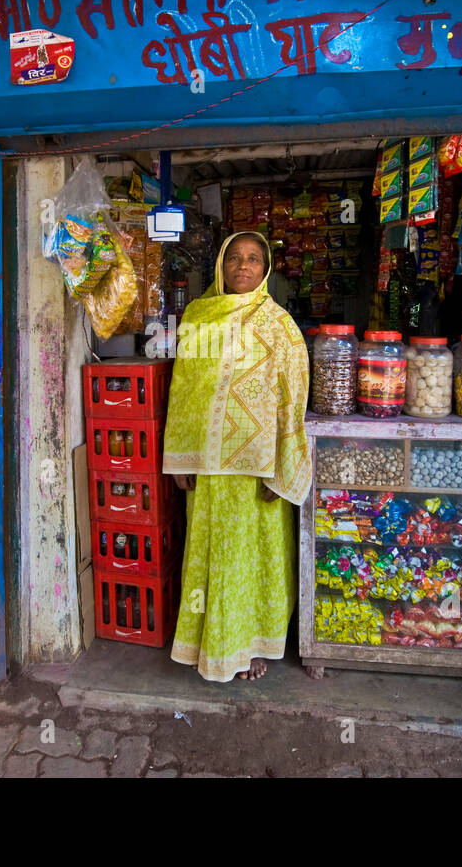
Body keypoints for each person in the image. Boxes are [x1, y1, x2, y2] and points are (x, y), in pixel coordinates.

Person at [162, 231, 314, 682]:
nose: (243, 266)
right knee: (213, 555)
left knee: (255, 558)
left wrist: (282, 467)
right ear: (220, 266)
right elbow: (184, 392)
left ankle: (254, 645)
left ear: (265, 269)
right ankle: (210, 643)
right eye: (234, 258)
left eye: (253, 259)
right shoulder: (197, 316)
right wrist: (181, 460)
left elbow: (294, 397)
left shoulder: (279, 323)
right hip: (209, 469)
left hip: (256, 471)